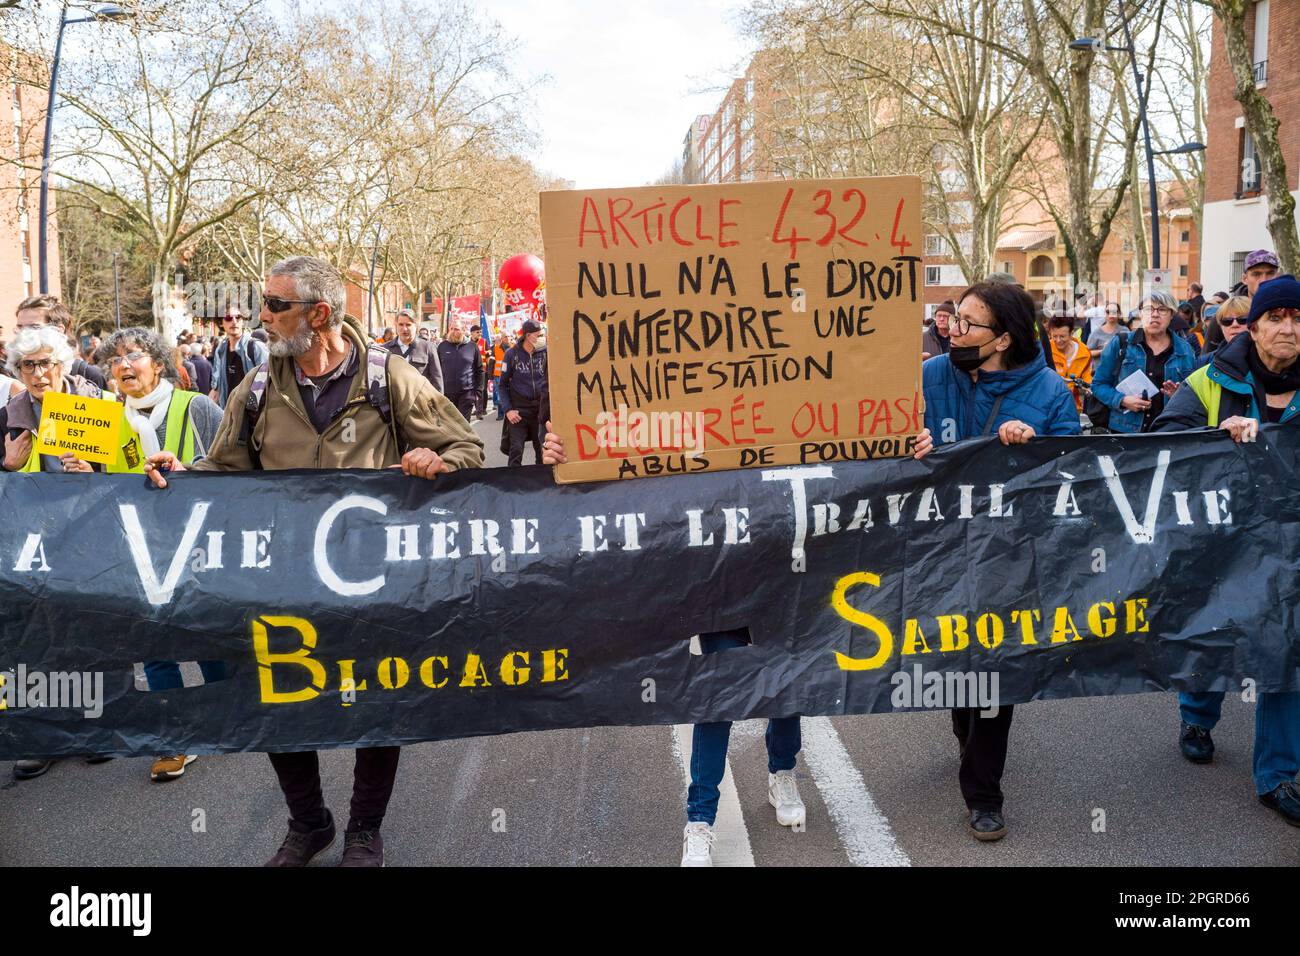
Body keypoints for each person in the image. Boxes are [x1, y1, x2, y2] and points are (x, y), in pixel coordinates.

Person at [142, 256, 484, 867]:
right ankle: (309, 824)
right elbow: (224, 469)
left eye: (274, 305)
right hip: (282, 581)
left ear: (318, 314)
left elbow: (464, 445)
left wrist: (440, 463)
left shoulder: (389, 377)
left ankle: (362, 830)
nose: (261, 316)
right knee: (278, 701)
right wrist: (182, 474)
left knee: (375, 701)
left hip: (372, 580)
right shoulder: (255, 387)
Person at [532, 445, 806, 867]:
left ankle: (782, 770)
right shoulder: (687, 407)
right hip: (720, 576)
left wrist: (900, 443)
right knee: (718, 695)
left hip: (780, 567)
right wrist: (571, 455)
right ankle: (700, 820)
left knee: (787, 681)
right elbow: (626, 451)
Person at [910, 281, 1080, 841]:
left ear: (1003, 337)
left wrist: (1033, 450)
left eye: (967, 323)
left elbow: (1072, 468)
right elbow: (882, 442)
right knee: (956, 660)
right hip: (938, 550)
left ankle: (984, 794)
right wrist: (906, 442)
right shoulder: (933, 376)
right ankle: (967, 737)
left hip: (1010, 555)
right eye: (953, 318)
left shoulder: (1050, 391)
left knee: (992, 670)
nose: (951, 329)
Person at [1151, 274, 1300, 827]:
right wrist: (1219, 436)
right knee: (1215, 637)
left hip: (1293, 547)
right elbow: (1163, 443)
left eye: (1298, 318)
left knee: (1289, 654)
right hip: (1224, 543)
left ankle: (1279, 776)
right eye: (1276, 317)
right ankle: (1197, 715)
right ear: (1255, 325)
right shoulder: (1209, 380)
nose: (1288, 328)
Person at [95, 327, 227, 781]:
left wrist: (189, 472)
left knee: (206, 638)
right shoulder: (104, 420)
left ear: (158, 362)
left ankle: (225, 716)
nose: (124, 366)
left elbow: (234, 470)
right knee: (153, 645)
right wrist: (82, 472)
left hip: (198, 546)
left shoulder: (199, 408)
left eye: (133, 355)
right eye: (115, 360)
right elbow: (106, 486)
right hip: (139, 547)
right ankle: (176, 738)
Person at [1, 325, 111, 780]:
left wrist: (95, 468)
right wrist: (6, 464)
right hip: (32, 538)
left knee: (88, 628)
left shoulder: (96, 406)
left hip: (89, 532)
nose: (39, 373)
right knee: (36, 635)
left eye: (46, 363)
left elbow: (128, 467)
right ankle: (43, 735)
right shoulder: (9, 413)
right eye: (29, 365)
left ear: (62, 365)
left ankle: (94, 727)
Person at [1091, 290, 1198, 433]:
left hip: (1168, 432)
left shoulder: (1185, 351)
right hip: (1125, 431)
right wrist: (1122, 400)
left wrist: (1178, 396)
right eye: (1148, 309)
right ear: (1141, 314)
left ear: (1172, 314)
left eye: (1162, 309)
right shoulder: (1121, 343)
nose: (1155, 314)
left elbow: (1195, 395)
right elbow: (1098, 385)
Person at [13, 295, 107, 389]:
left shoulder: (89, 375)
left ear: (58, 330)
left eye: (33, 327)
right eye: (20, 327)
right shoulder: (15, 374)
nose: (24, 334)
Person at [498, 319, 549, 467]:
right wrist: (508, 410)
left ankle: (542, 484)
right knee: (516, 450)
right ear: (527, 335)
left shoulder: (545, 352)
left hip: (540, 411)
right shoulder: (511, 354)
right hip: (519, 411)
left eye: (542, 335)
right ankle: (513, 485)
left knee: (542, 451)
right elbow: (502, 385)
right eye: (538, 335)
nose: (541, 338)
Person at [210, 307, 269, 407]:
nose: (234, 321)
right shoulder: (221, 350)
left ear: (243, 321)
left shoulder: (256, 347)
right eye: (228, 318)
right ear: (221, 322)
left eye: (238, 317)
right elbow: (217, 388)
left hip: (252, 415)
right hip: (228, 414)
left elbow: (270, 384)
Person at [385, 308, 443, 392]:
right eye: (401, 324)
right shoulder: (385, 349)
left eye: (408, 325)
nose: (404, 329)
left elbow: (437, 380)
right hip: (394, 403)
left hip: (421, 402)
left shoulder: (428, 348)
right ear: (396, 325)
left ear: (415, 325)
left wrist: (438, 404)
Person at [1046, 315, 1092, 413]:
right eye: (1054, 336)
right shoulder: (1046, 349)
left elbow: (1088, 379)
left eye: (1062, 336)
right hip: (1048, 404)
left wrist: (1088, 388)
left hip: (1073, 406)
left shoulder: (1084, 353)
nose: (1058, 340)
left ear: (1071, 334)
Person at [436, 327, 482, 421]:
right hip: (447, 394)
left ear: (463, 330)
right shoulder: (442, 346)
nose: (455, 331)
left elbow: (480, 370)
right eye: (452, 329)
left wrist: (478, 392)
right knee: (451, 425)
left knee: (464, 425)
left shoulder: (472, 346)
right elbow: (436, 370)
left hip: (467, 393)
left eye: (457, 329)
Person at [1200, 296, 1249, 361]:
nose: (1234, 324)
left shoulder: (1266, 358)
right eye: (1227, 321)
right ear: (1221, 327)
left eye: (1242, 319)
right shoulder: (1204, 362)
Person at [470, 325, 489, 419]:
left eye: (480, 332)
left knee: (482, 390)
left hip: (483, 371)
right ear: (472, 333)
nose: (480, 334)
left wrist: (489, 370)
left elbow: (488, 357)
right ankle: (477, 409)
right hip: (471, 371)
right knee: (472, 391)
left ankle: (481, 411)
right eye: (478, 332)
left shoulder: (484, 342)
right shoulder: (467, 342)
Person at [491, 333, 510, 420]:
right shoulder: (496, 348)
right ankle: (500, 414)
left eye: (508, 336)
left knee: (507, 394)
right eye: (506, 337)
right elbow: (492, 362)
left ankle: (507, 412)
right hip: (498, 375)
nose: (508, 338)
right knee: (499, 395)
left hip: (508, 375)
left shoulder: (511, 347)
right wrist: (490, 374)